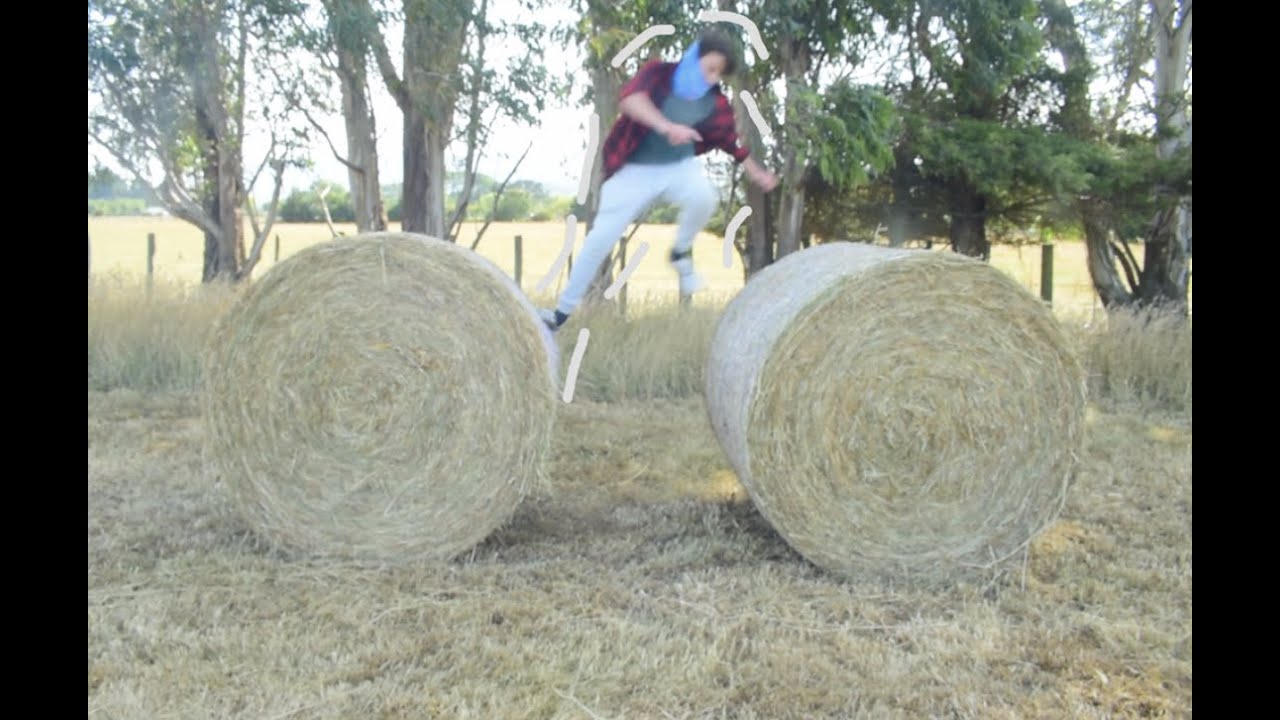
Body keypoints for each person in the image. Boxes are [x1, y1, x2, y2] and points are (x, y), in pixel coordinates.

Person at [539, 28, 779, 331]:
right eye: (710, 69)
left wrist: (757, 172)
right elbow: (630, 101)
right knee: (600, 239)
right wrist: (668, 127)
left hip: (678, 168)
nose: (713, 78)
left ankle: (680, 252)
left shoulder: (715, 103)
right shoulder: (658, 73)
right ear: (694, 58)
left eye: (720, 74)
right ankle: (560, 313)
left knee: (704, 197)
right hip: (632, 170)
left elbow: (731, 141)